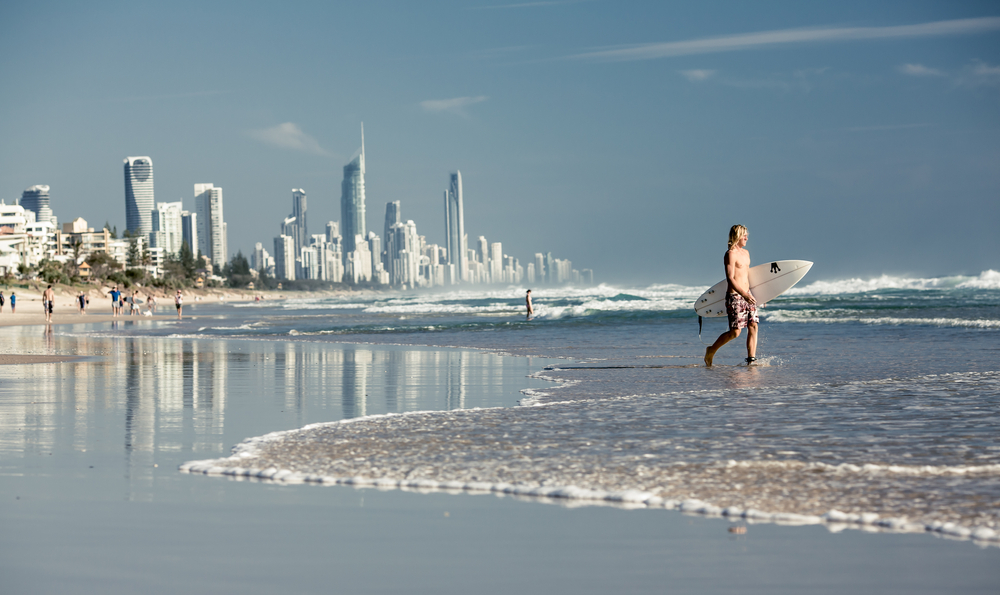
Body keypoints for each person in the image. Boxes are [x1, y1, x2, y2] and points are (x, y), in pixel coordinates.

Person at [704, 225, 758, 367]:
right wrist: (743, 294)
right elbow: (730, 278)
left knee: (753, 326)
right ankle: (711, 349)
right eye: (744, 235)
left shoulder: (746, 253)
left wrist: (755, 295)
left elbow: (747, 276)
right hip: (735, 296)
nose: (747, 238)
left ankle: (751, 360)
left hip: (748, 294)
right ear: (737, 236)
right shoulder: (730, 254)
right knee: (735, 332)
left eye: (747, 235)